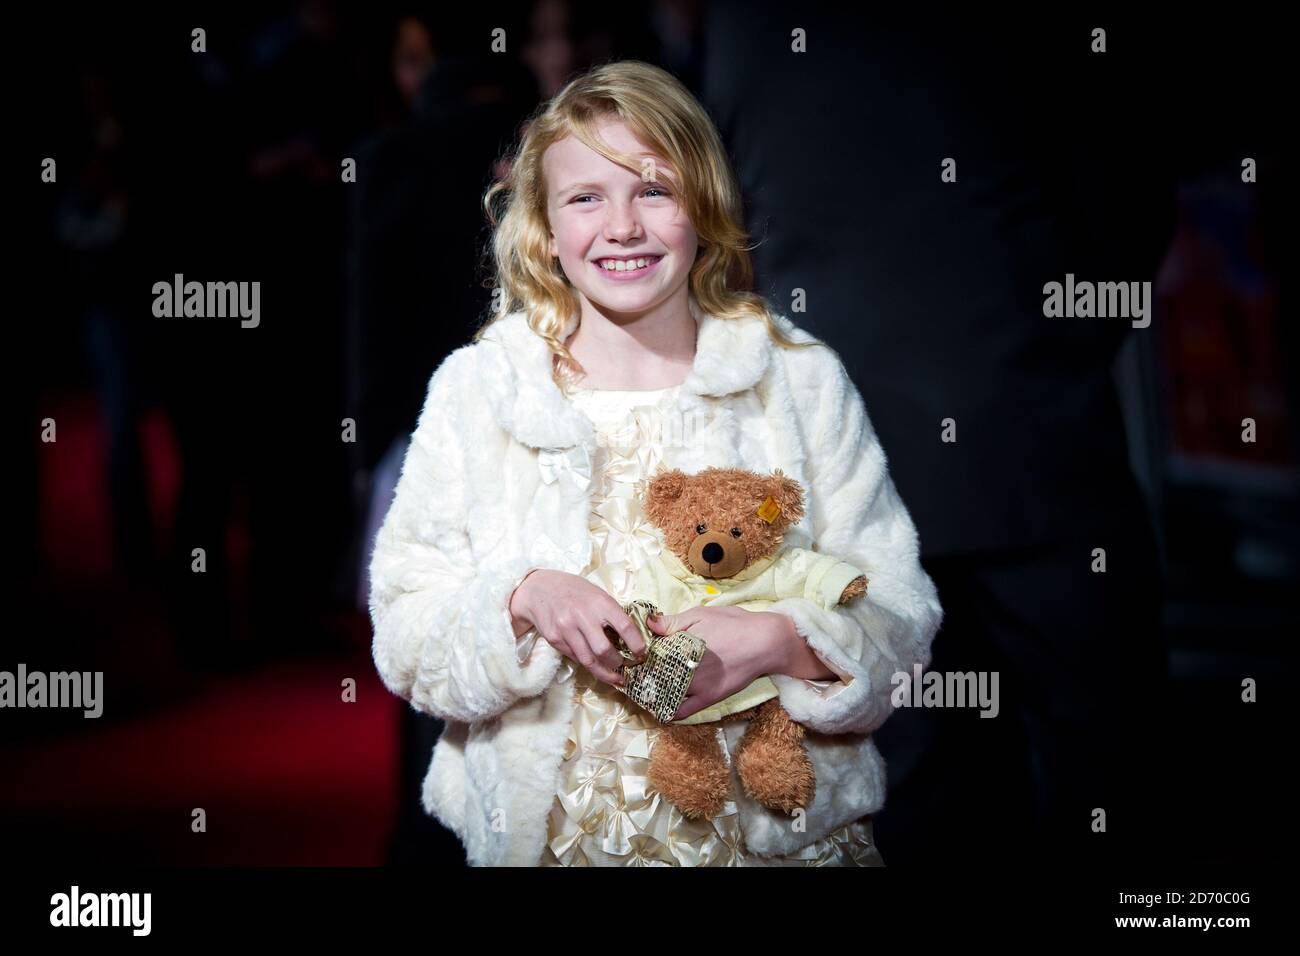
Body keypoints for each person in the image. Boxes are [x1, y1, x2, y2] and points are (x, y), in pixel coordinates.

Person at [367, 60, 942, 866]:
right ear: (544, 225)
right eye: (586, 198)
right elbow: (405, 630)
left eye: (653, 190)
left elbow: (899, 614)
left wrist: (778, 641)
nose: (623, 226)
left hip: (778, 845)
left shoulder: (795, 378)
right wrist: (524, 597)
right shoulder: (482, 388)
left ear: (702, 204)